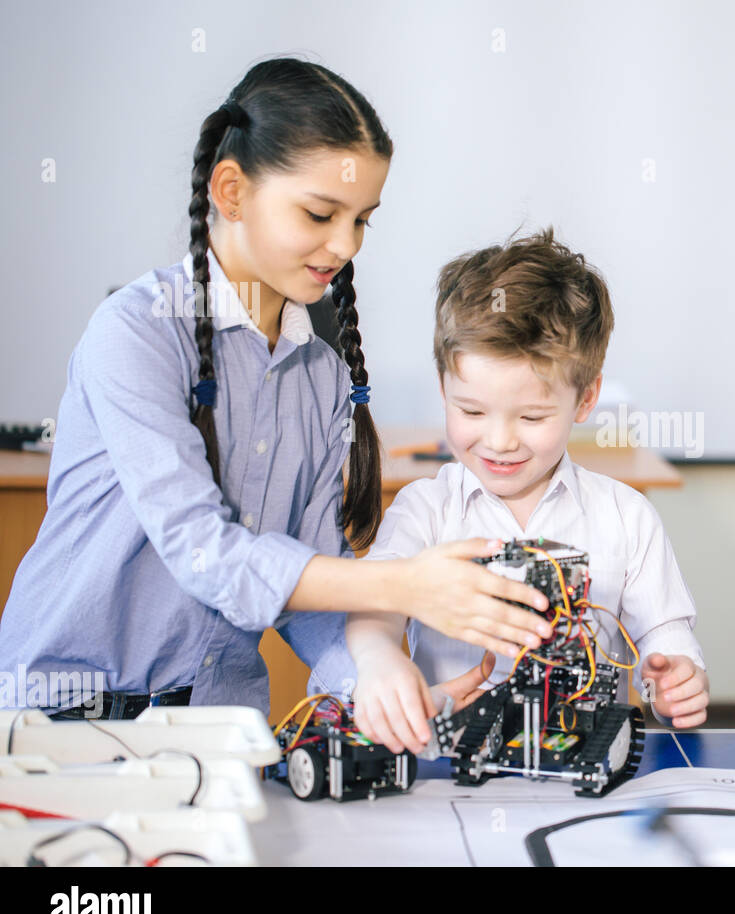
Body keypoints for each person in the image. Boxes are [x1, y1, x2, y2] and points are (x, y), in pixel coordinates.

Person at [0, 59, 551, 719]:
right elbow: (205, 553)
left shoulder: (321, 375)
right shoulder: (135, 334)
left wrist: (374, 673)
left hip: (216, 731)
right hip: (62, 724)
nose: (344, 245)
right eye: (321, 214)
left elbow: (307, 581)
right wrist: (403, 584)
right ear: (230, 192)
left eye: (362, 220)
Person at [345, 230, 709, 754]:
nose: (498, 441)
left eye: (532, 416)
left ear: (586, 400)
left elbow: (665, 636)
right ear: (443, 386)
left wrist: (673, 678)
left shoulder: (626, 516)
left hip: (580, 764)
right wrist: (378, 659)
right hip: (452, 770)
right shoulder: (425, 512)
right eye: (471, 411)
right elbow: (374, 606)